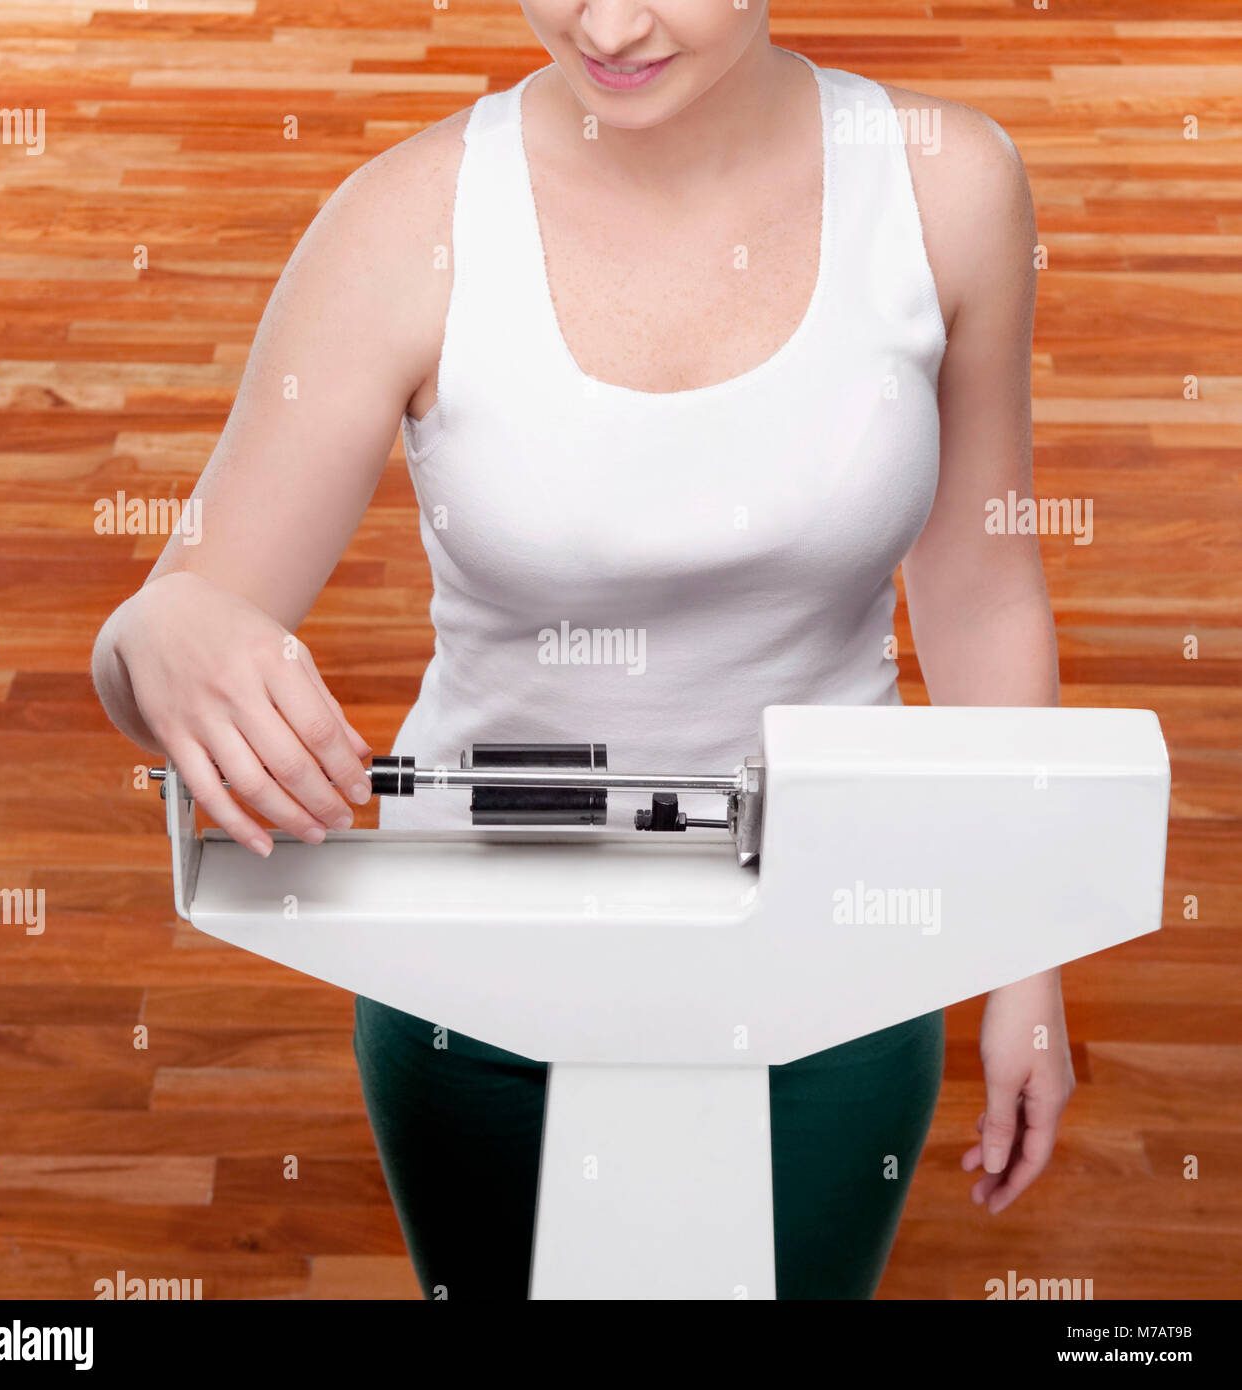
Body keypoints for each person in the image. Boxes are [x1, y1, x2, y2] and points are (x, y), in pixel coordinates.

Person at [93, 2, 1076, 1300]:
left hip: (838, 943)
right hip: (478, 965)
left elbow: (980, 584)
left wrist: (1026, 959)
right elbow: (160, 630)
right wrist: (157, 636)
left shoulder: (950, 186)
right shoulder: (401, 223)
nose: (606, 25)